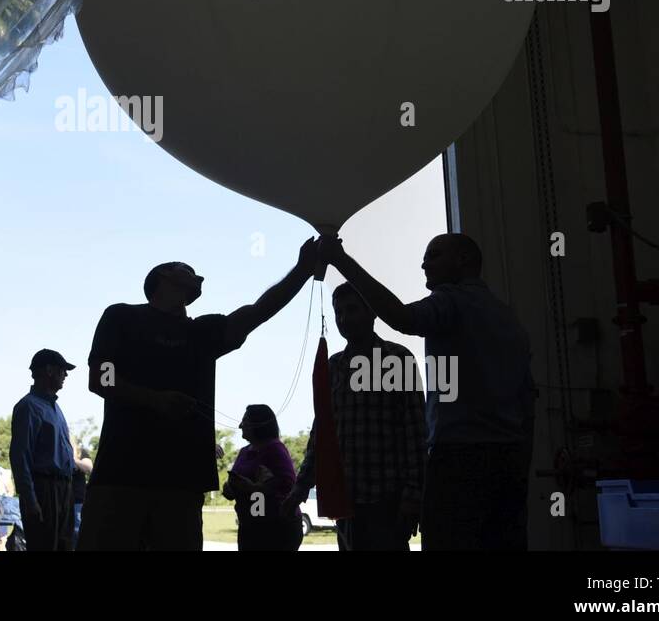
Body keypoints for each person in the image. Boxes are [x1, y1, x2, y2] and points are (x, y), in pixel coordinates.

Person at [78, 237, 323, 551]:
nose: (198, 274)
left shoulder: (203, 333)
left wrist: (302, 270)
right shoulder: (122, 318)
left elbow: (258, 312)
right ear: (161, 278)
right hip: (121, 475)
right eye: (185, 268)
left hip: (182, 481)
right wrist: (155, 399)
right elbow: (101, 378)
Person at [319, 232, 535, 550]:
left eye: (433, 255)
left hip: (459, 461)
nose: (423, 264)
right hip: (509, 461)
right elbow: (528, 401)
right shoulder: (508, 318)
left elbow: (402, 318)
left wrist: (341, 260)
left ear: (463, 260)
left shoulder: (451, 302)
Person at [283, 283, 426, 550]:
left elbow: (415, 432)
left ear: (372, 312)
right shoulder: (333, 366)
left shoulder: (396, 359)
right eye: (338, 312)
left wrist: (412, 495)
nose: (344, 319)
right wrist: (301, 487)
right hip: (346, 502)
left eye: (352, 310)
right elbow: (322, 435)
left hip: (388, 501)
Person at [10, 349, 78, 551]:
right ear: (49, 370)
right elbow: (20, 457)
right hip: (44, 490)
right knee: (45, 546)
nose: (65, 375)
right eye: (62, 370)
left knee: (64, 546)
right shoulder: (28, 407)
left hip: (63, 489)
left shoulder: (55, 409)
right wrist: (30, 500)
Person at [224, 404, 301, 551]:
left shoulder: (275, 449)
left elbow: (289, 484)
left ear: (259, 423)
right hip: (250, 527)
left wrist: (254, 488)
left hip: (276, 528)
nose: (240, 426)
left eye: (245, 421)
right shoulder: (244, 452)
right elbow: (235, 485)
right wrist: (230, 487)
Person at [70, 431, 93, 546]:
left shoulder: (82, 453)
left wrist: (73, 460)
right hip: (62, 501)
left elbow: (89, 468)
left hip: (78, 501)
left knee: (78, 532)